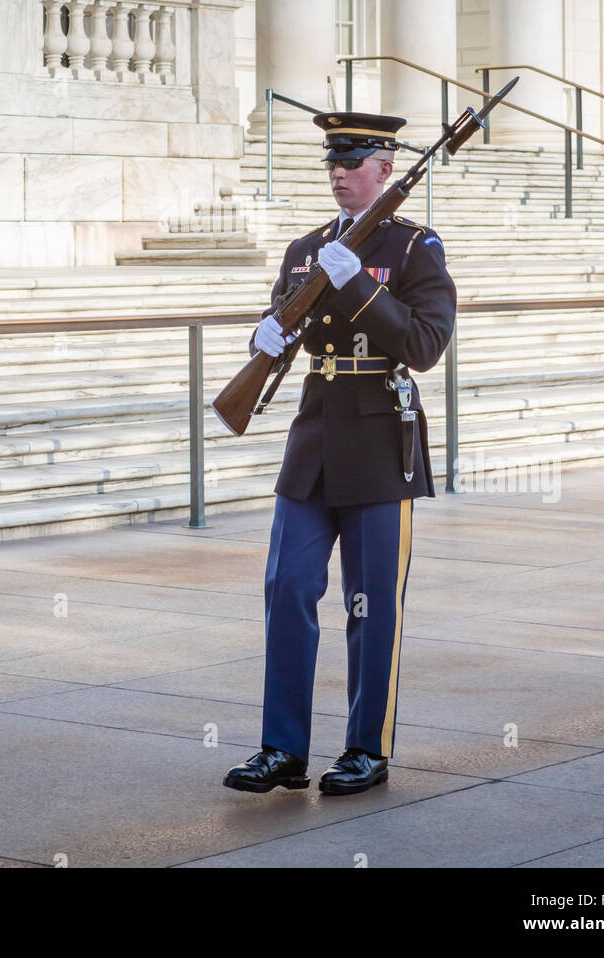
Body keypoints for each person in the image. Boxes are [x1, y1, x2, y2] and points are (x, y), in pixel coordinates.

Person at [222, 111, 457, 796]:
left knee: (370, 601)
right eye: (332, 162)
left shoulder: (416, 250)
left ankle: (366, 749)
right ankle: (282, 749)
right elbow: (283, 332)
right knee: (287, 587)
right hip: (314, 437)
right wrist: (264, 341)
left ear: (385, 169)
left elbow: (423, 347)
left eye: (352, 163)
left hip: (383, 439)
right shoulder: (306, 248)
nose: (338, 174)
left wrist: (358, 284)